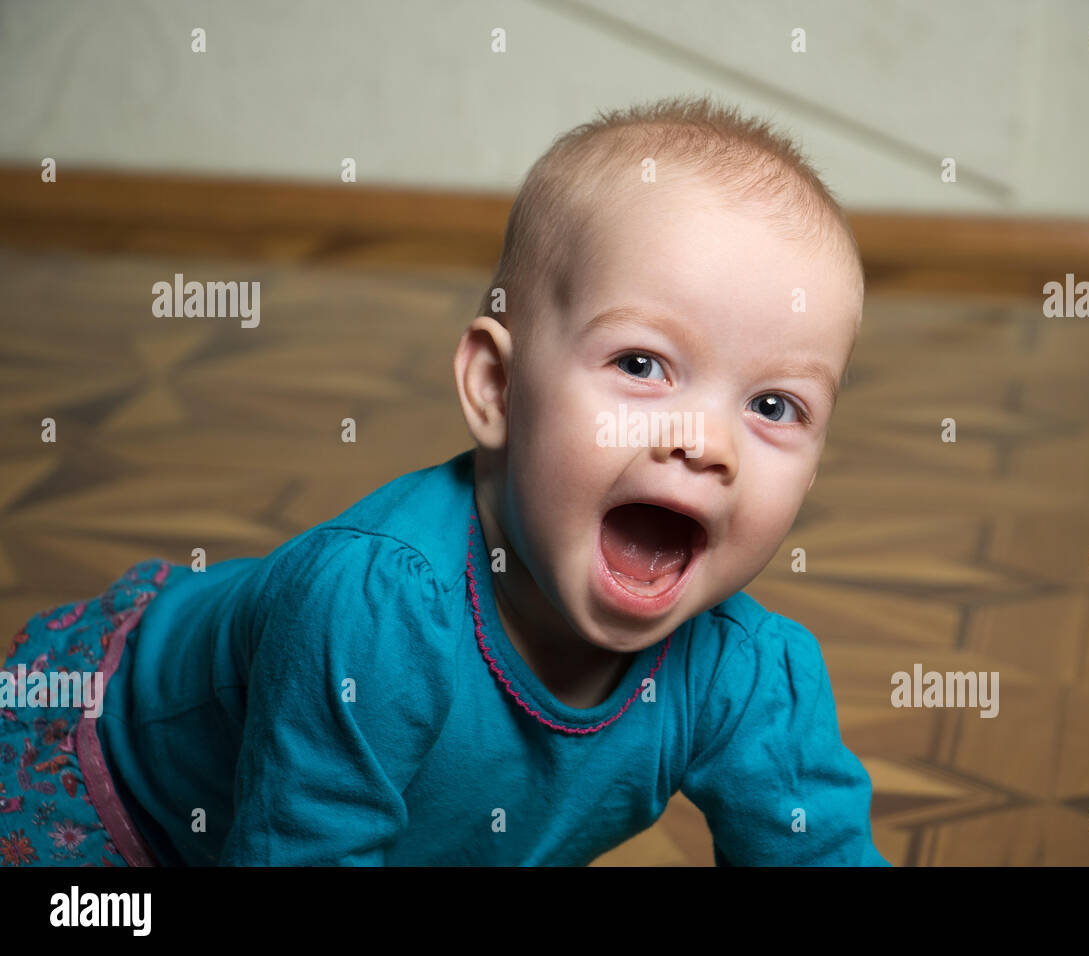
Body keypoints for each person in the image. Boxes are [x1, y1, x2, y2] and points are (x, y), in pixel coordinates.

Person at [2, 95, 889, 867]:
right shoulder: (377, 615)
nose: (708, 444)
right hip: (106, 775)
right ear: (496, 389)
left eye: (774, 406)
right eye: (643, 363)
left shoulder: (750, 677)